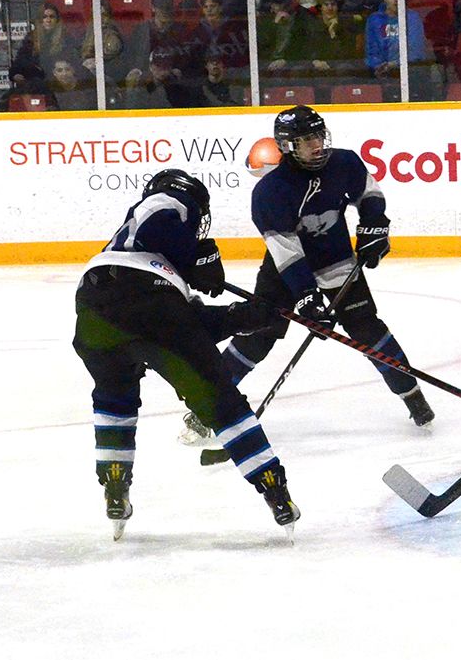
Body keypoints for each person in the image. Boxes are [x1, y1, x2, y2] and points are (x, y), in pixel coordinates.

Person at [179, 105, 434, 444]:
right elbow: (287, 251)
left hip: (338, 260)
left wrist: (375, 226)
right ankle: (206, 406)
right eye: (305, 141)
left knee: (368, 329)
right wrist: (307, 297)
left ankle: (413, 397)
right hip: (284, 272)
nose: (316, 145)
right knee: (257, 333)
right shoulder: (270, 192)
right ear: (286, 146)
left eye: (318, 136)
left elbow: (369, 194)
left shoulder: (345, 163)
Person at [72, 168, 301, 539]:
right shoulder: (169, 204)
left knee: (115, 395)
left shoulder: (136, 257)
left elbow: (184, 328)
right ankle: (275, 490)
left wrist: (242, 316)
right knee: (222, 401)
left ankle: (115, 486)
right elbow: (166, 318)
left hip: (94, 310)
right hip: (151, 302)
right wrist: (198, 257)